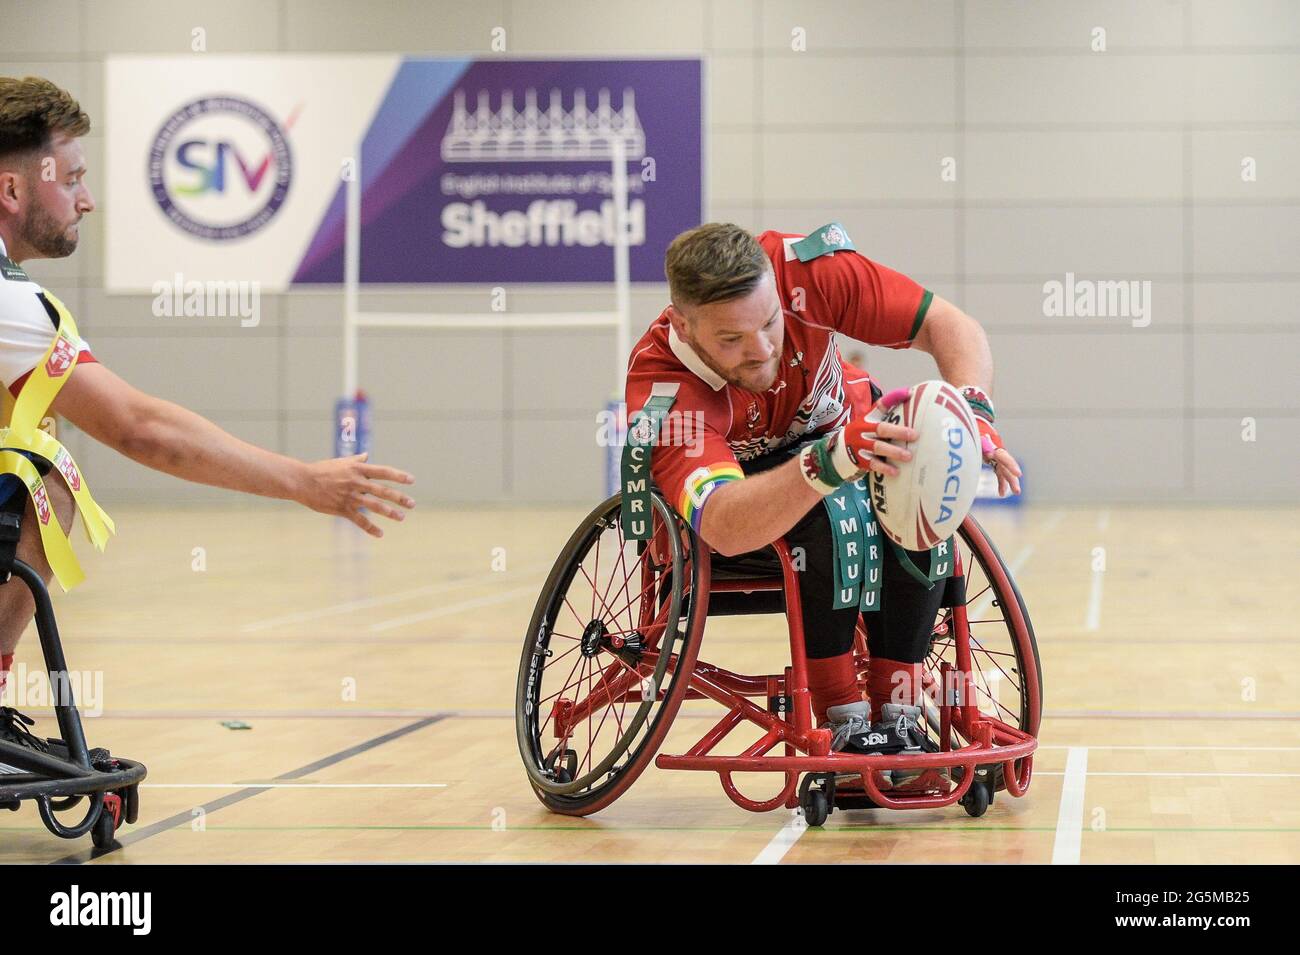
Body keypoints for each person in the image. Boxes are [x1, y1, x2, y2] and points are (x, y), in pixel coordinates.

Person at [0, 76, 414, 758]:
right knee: (48, 473)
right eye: (71, 177)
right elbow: (141, 429)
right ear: (12, 192)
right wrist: (303, 481)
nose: (88, 198)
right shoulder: (12, 304)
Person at [624, 222, 1021, 786]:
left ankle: (899, 709)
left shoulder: (810, 272)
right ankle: (843, 715)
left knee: (920, 495)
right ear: (683, 326)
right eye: (732, 340)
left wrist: (972, 416)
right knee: (837, 514)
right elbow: (726, 527)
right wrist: (827, 465)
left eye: (769, 323)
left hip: (845, 441)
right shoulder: (665, 391)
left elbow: (947, 325)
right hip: (748, 500)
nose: (761, 350)